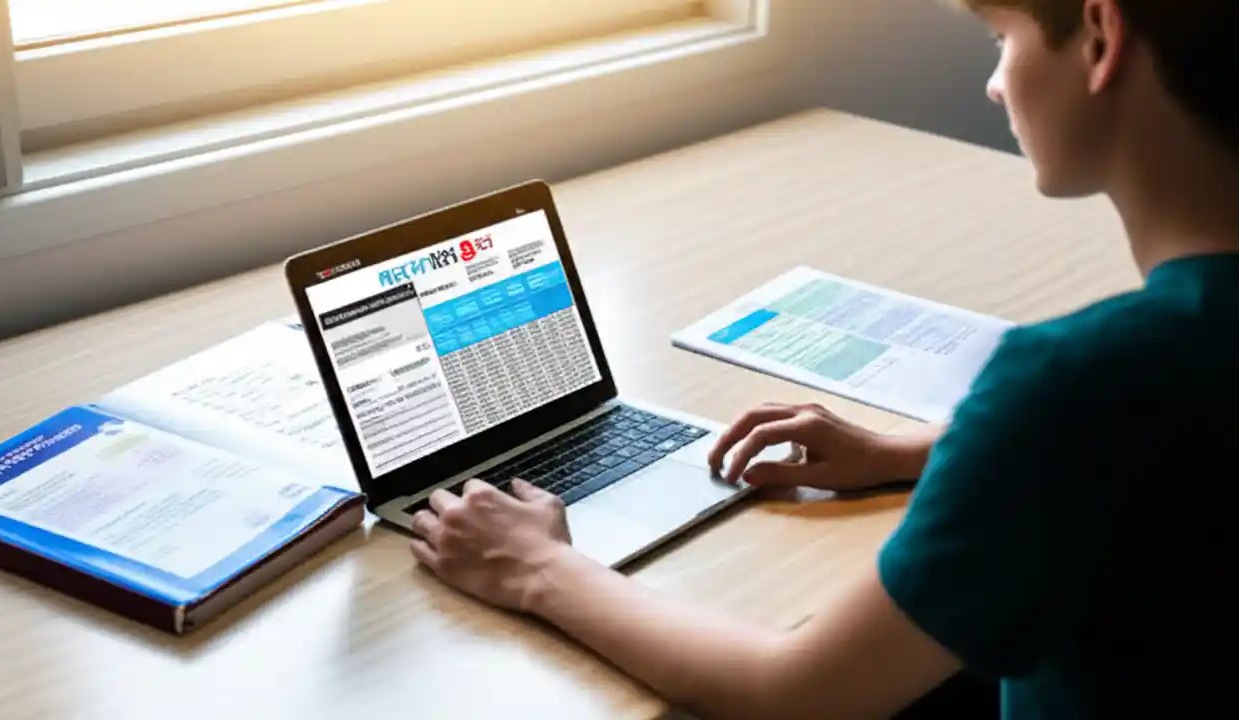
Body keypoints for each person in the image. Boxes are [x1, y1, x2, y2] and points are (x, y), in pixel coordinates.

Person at [408, 0, 1239, 716]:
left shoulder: (1074, 385)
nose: (993, 83)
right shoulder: (1132, 382)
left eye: (999, 38)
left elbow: (798, 695)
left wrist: (540, 568)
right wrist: (922, 450)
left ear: (1101, 35)